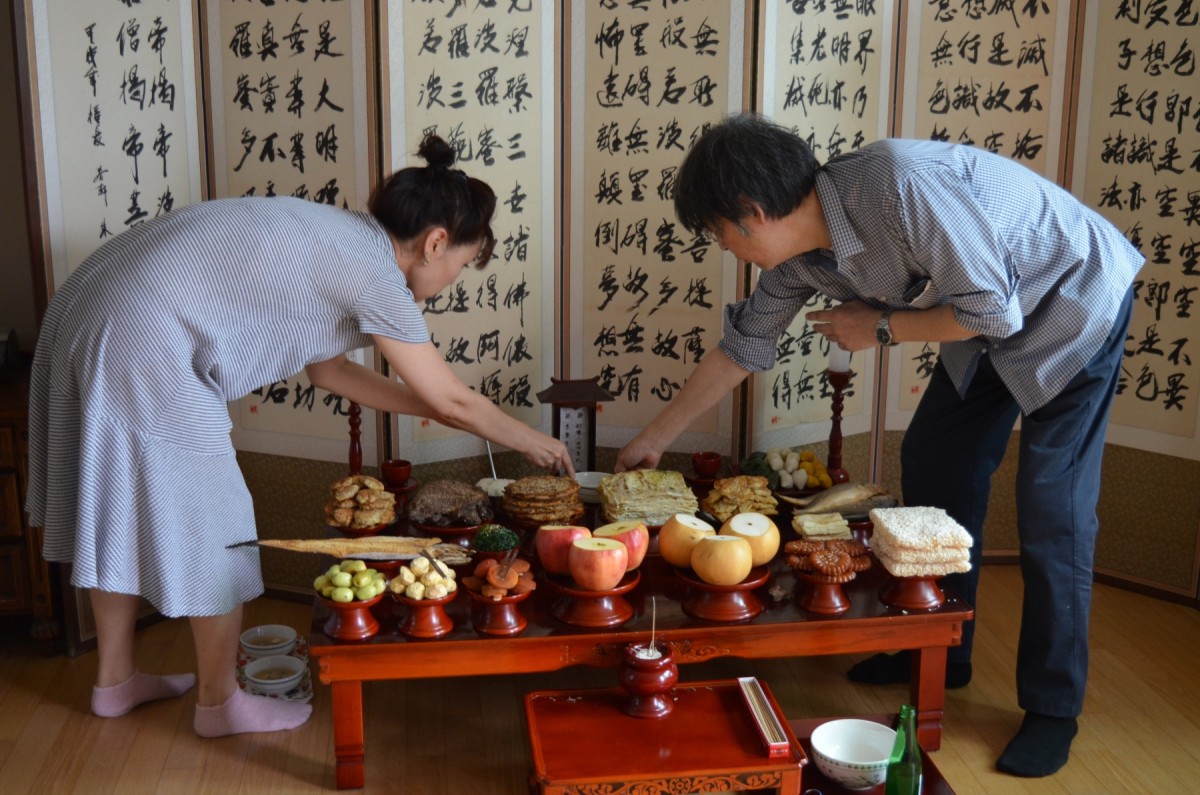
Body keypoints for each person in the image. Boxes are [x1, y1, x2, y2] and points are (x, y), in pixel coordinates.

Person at [615, 113, 1141, 778]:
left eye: (719, 234)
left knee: (1052, 506)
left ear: (752, 213)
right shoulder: (796, 263)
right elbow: (743, 347)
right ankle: (937, 645)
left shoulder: (898, 184)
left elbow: (997, 310)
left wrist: (883, 328)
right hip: (983, 318)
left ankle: (1053, 707)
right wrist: (653, 439)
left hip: (1070, 298)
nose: (724, 248)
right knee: (932, 462)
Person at [27, 135, 572, 738]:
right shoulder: (374, 273)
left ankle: (115, 680)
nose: (453, 278)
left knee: (117, 508)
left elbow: (331, 371)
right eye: (462, 265)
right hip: (140, 336)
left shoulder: (341, 237)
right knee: (219, 525)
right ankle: (219, 703)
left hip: (85, 307)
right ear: (435, 242)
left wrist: (446, 412)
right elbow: (449, 396)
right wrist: (532, 440)